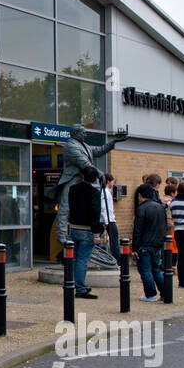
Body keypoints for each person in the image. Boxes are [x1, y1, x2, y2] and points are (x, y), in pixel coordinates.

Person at [54, 123, 128, 247]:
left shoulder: (84, 145)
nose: (85, 134)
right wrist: (99, 174)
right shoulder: (70, 146)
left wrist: (113, 141)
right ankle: (61, 235)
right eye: (83, 132)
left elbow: (98, 151)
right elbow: (84, 163)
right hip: (72, 179)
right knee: (65, 207)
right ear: (76, 133)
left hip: (84, 180)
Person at [67, 165, 104, 299]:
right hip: (87, 229)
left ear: (82, 176)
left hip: (74, 226)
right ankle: (80, 288)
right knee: (82, 260)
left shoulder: (73, 189)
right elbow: (95, 214)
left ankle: (72, 283)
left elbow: (70, 207)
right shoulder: (95, 193)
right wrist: (96, 234)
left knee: (74, 258)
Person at [132, 184, 167, 300]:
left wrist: (135, 247)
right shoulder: (160, 207)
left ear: (140, 195)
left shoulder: (141, 209)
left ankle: (150, 294)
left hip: (145, 244)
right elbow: (164, 226)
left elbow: (137, 230)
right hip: (158, 243)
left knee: (145, 270)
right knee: (156, 269)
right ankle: (165, 292)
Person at [100, 173, 120, 263]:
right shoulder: (105, 192)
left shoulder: (106, 192)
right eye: (112, 181)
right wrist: (106, 221)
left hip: (108, 219)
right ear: (108, 181)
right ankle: (117, 260)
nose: (113, 183)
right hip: (108, 220)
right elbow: (104, 207)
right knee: (114, 241)